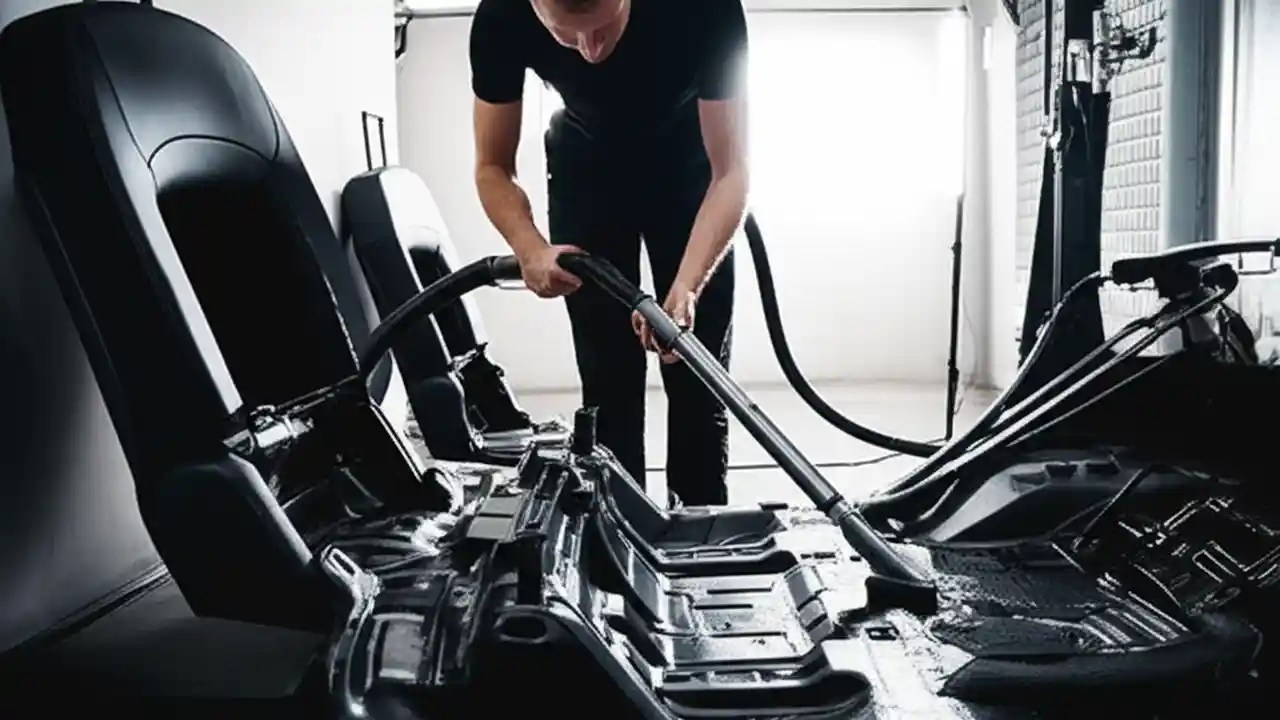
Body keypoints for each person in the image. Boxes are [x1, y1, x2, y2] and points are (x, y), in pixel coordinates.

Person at [469, 0, 749, 507]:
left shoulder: (707, 9)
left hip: (691, 169)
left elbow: (731, 171)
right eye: (569, 34)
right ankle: (620, 535)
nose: (591, 52)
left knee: (695, 374)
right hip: (586, 168)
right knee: (608, 381)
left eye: (604, 27)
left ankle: (703, 534)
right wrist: (530, 249)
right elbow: (492, 166)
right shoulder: (501, 16)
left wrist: (686, 289)